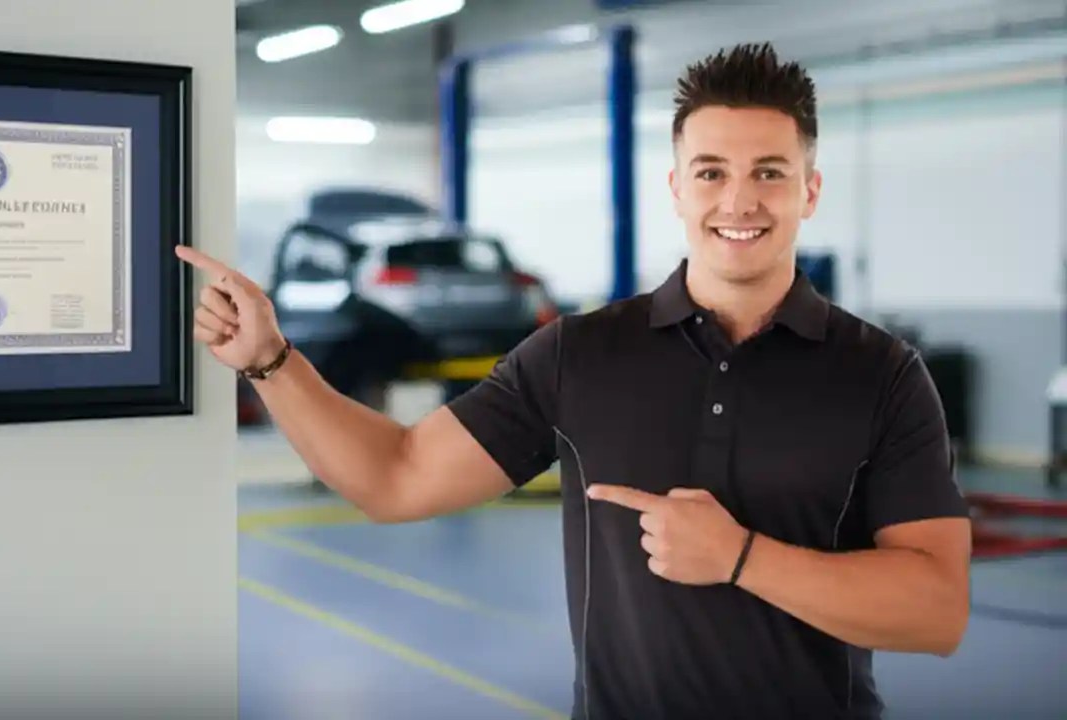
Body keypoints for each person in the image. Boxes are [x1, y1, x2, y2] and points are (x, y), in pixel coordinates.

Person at [177, 42, 972, 720]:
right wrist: (271, 362)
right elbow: (395, 478)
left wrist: (741, 558)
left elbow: (937, 610)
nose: (738, 199)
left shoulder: (883, 373)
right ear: (676, 189)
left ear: (810, 190)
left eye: (769, 172)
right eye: (710, 171)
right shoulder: (579, 354)